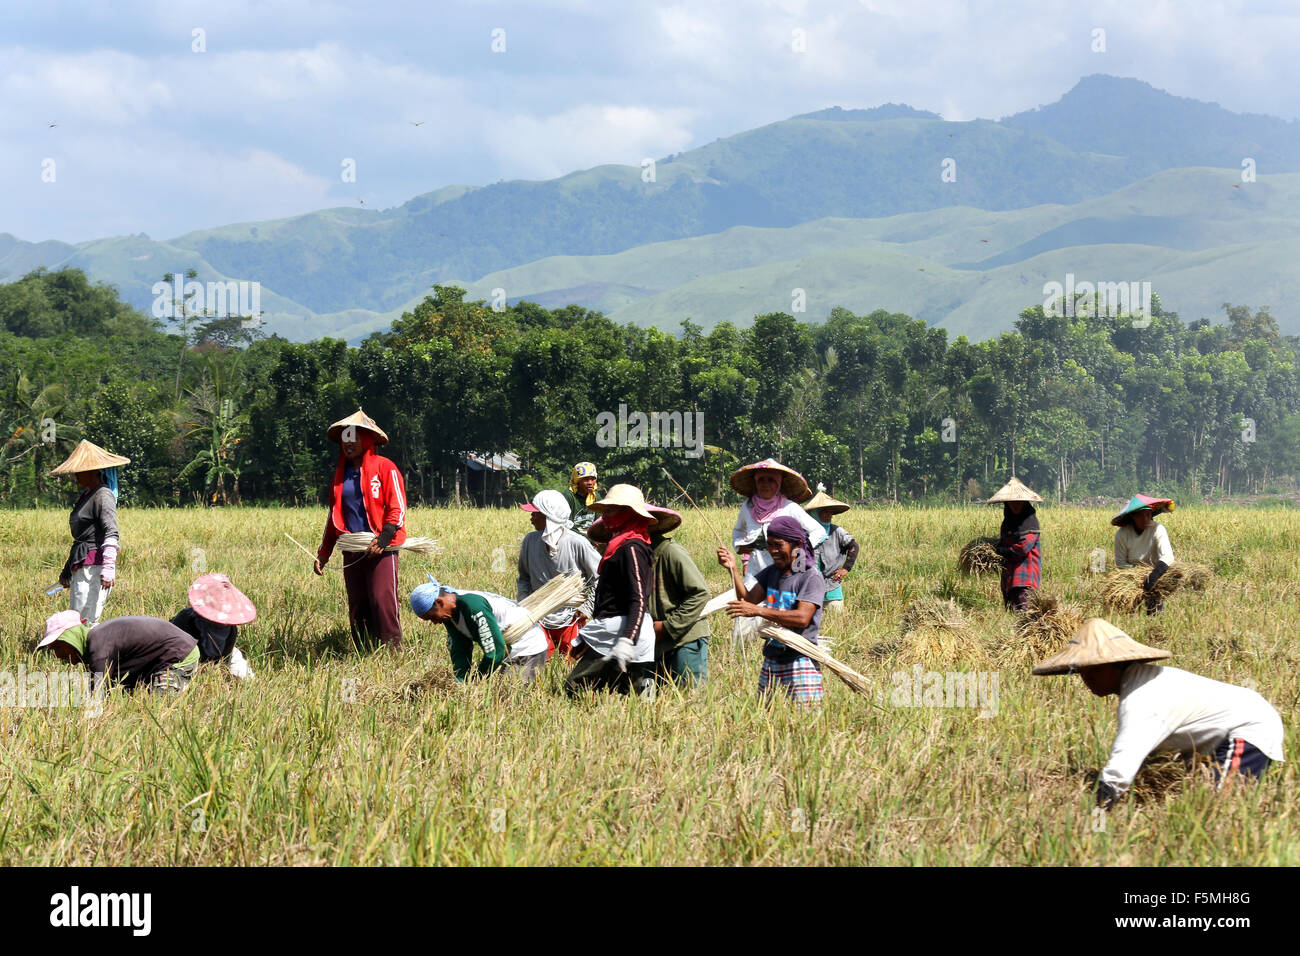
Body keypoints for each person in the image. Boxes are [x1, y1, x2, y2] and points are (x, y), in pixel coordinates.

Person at [1032, 618, 1284, 809]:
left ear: (1115, 665)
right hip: (1213, 738)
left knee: (1218, 810)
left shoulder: (1141, 699)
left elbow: (1120, 768)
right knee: (1192, 803)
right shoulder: (1140, 684)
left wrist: (1096, 815)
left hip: (1248, 726)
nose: (1087, 678)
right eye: (1082, 671)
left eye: (1094, 670)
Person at [313, 410, 408, 650]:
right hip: (352, 549)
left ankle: (393, 651)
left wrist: (384, 538)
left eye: (354, 437)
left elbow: (397, 507)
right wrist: (324, 553)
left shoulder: (386, 468)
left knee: (382, 600)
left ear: (367, 439)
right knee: (358, 603)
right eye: (345, 438)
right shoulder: (340, 476)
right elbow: (334, 518)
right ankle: (364, 651)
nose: (348, 442)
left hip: (381, 549)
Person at [590, 503, 709, 686]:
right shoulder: (628, 556)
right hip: (653, 640)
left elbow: (700, 593)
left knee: (688, 697)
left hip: (684, 637)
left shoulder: (670, 553)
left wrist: (669, 626)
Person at [716, 515, 826, 708]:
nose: (773, 551)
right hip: (772, 656)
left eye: (778, 545)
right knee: (765, 715)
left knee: (805, 722)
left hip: (800, 659)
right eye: (769, 545)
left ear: (797, 544)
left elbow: (802, 618)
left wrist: (759, 611)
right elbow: (747, 600)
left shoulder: (810, 577)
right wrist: (733, 569)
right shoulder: (772, 572)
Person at [564, 484, 659, 699]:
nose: (605, 516)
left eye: (611, 510)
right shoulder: (623, 544)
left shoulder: (632, 547)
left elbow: (639, 598)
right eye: (604, 511)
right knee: (622, 696)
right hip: (621, 631)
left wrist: (627, 640)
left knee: (577, 687)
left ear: (628, 513)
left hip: (624, 633)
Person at [410, 576, 550, 684]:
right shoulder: (449, 615)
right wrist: (461, 682)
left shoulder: (473, 606)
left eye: (432, 617)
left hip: (527, 646)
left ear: (439, 602)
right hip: (508, 648)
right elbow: (459, 649)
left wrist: (478, 679)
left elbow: (495, 651)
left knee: (512, 695)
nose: (434, 623)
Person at [49, 439, 130, 625]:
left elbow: (111, 532)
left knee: (87, 618)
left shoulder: (103, 495)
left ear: (94, 471)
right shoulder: (87, 495)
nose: (76, 475)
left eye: (80, 471)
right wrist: (66, 571)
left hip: (95, 566)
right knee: (77, 614)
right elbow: (80, 540)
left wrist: (108, 569)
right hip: (82, 564)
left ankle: (87, 652)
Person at [516, 490, 600, 658]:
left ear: (549, 516)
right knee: (539, 663)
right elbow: (524, 578)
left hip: (571, 617)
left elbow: (601, 576)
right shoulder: (530, 541)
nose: (531, 517)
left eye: (535, 513)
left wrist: (588, 607)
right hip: (538, 616)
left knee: (571, 663)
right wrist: (526, 606)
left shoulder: (577, 542)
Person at [37, 609, 199, 695]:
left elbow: (98, 695)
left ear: (70, 638)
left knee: (158, 709)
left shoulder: (98, 646)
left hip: (179, 655)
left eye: (57, 647)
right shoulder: (98, 639)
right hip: (165, 655)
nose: (57, 656)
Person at [730, 458, 826, 590]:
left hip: (782, 569)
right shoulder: (747, 507)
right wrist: (739, 545)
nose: (765, 484)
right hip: (755, 568)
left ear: (778, 484)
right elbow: (738, 530)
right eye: (761, 480)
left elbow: (818, 531)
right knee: (750, 603)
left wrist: (797, 550)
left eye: (771, 480)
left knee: (776, 605)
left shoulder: (790, 507)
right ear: (755, 483)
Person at [170, 573, 256, 680]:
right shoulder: (186, 621)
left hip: (218, 657)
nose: (221, 625)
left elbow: (226, 656)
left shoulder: (231, 630)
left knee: (243, 672)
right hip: (185, 655)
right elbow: (177, 652)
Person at [1112, 494, 1177, 615]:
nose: (1145, 519)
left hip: (1154, 574)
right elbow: (1120, 562)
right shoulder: (1122, 534)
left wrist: (1152, 577)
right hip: (1131, 577)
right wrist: (1136, 576)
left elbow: (1168, 556)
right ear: (1133, 516)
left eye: (1148, 515)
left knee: (1155, 613)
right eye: (1141, 515)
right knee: (1128, 614)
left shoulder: (1158, 529)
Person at [987, 476, 1042, 612]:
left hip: (1025, 578)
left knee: (1025, 614)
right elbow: (1003, 543)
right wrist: (995, 548)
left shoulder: (1030, 522)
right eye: (1012, 502)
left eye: (1019, 502)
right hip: (1009, 578)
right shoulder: (1007, 523)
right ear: (1007, 503)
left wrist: (1001, 551)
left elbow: (1023, 548)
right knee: (1012, 614)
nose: (1015, 505)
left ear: (1025, 503)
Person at [805, 488, 858, 612]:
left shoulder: (836, 531)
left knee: (836, 619)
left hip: (831, 584)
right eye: (824, 512)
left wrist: (846, 568)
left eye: (830, 513)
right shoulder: (804, 533)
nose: (829, 515)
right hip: (809, 586)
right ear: (814, 513)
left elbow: (854, 547)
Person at [561, 462, 600, 535]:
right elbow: (567, 525)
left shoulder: (596, 496)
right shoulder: (568, 496)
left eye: (593, 479)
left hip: (592, 537)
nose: (590, 483)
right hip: (571, 537)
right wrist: (589, 540)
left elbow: (599, 522)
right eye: (586, 479)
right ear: (577, 481)